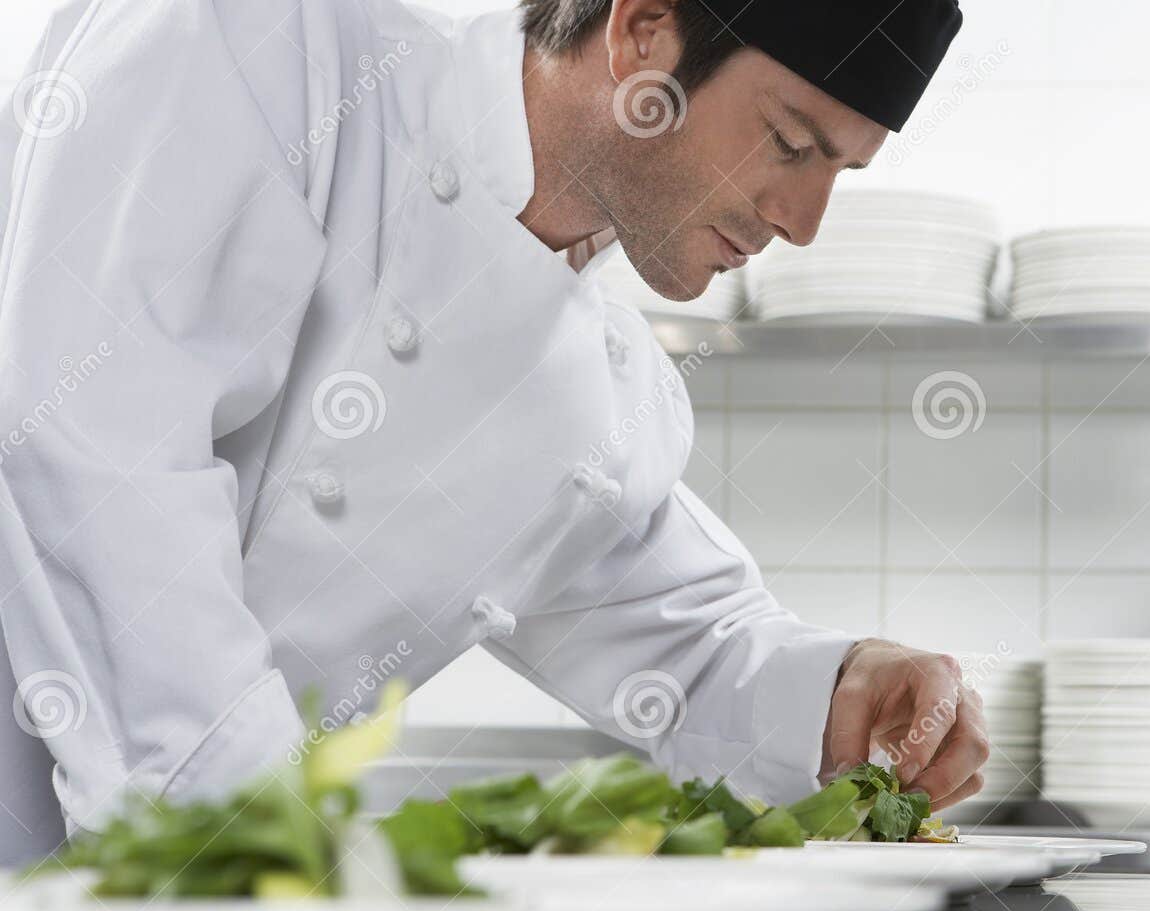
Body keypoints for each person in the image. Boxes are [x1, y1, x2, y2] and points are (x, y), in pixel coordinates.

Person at [0, 0, 988, 865]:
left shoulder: (604, 398)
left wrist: (844, 691)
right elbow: (90, 443)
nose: (803, 221)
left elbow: (690, 650)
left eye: (840, 172)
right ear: (644, 30)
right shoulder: (269, 49)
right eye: (790, 142)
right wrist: (251, 838)